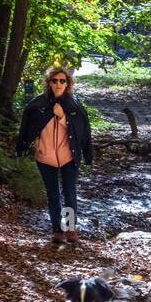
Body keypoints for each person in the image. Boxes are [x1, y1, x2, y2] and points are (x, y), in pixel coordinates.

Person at [15, 66, 93, 245]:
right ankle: (57, 230)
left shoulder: (74, 105)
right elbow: (26, 128)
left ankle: (70, 228)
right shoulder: (38, 104)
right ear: (49, 83)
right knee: (52, 194)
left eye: (62, 81)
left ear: (68, 84)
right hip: (45, 157)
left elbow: (84, 132)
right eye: (54, 81)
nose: (58, 84)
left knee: (70, 193)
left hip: (69, 157)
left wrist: (63, 117)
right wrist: (23, 147)